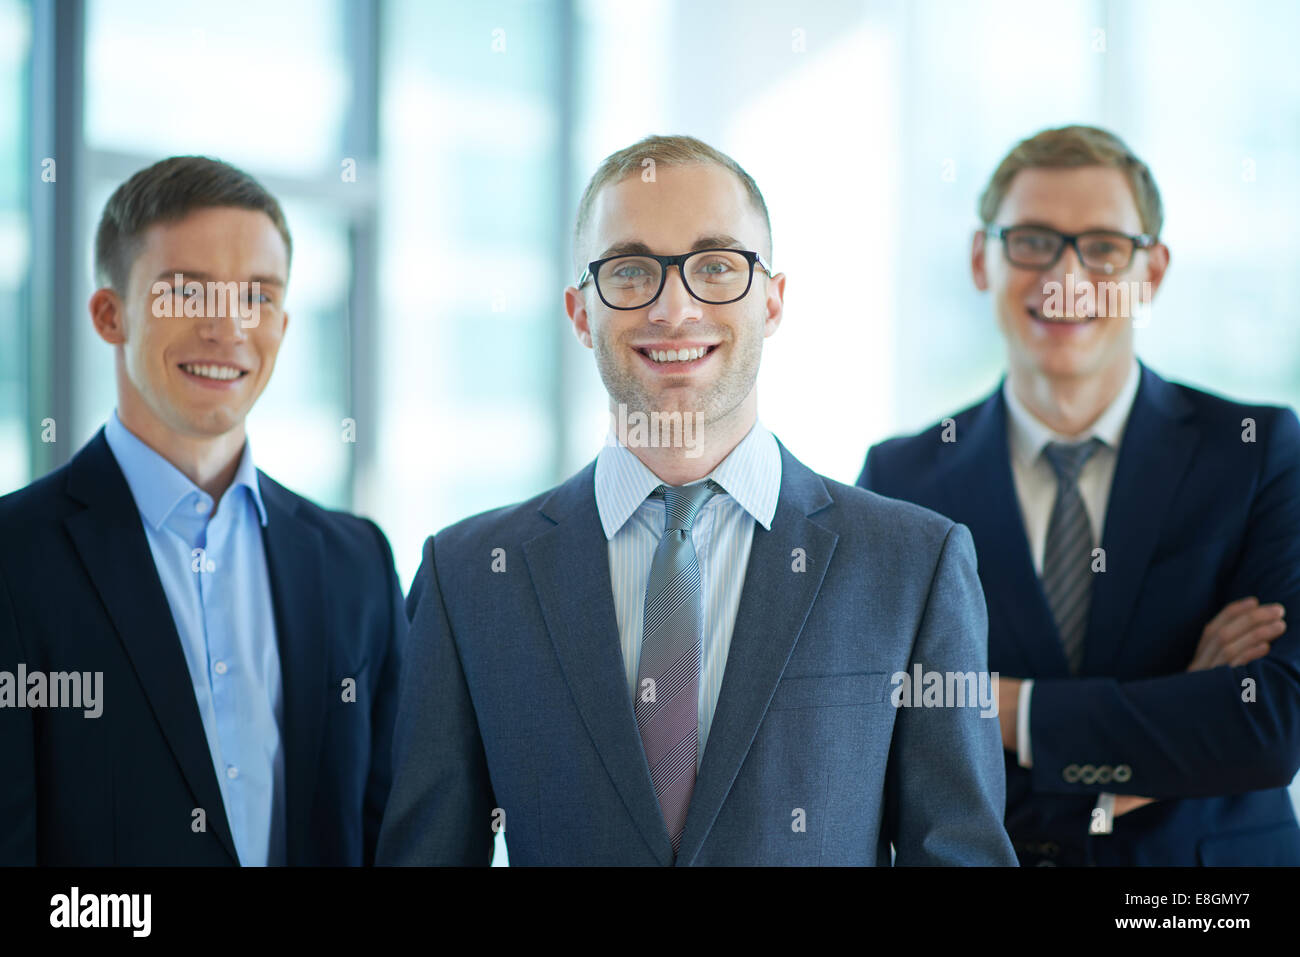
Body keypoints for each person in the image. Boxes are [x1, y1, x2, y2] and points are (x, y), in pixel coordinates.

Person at [377, 134, 1016, 865]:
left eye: (716, 265)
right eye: (630, 269)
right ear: (580, 312)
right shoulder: (466, 578)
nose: (674, 309)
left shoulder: (913, 565)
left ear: (773, 300)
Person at [859, 125, 1300, 865]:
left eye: (1102, 247)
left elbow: (1272, 727)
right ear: (981, 259)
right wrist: (1172, 731)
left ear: (1151, 271)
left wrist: (1009, 709)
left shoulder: (1259, 453)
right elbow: (881, 748)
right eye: (1031, 241)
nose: (1065, 277)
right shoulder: (900, 480)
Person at [0, 156, 405, 865]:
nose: (227, 328)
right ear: (109, 314)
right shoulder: (14, 558)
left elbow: (391, 835)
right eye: (186, 294)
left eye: (258, 295)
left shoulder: (356, 563)